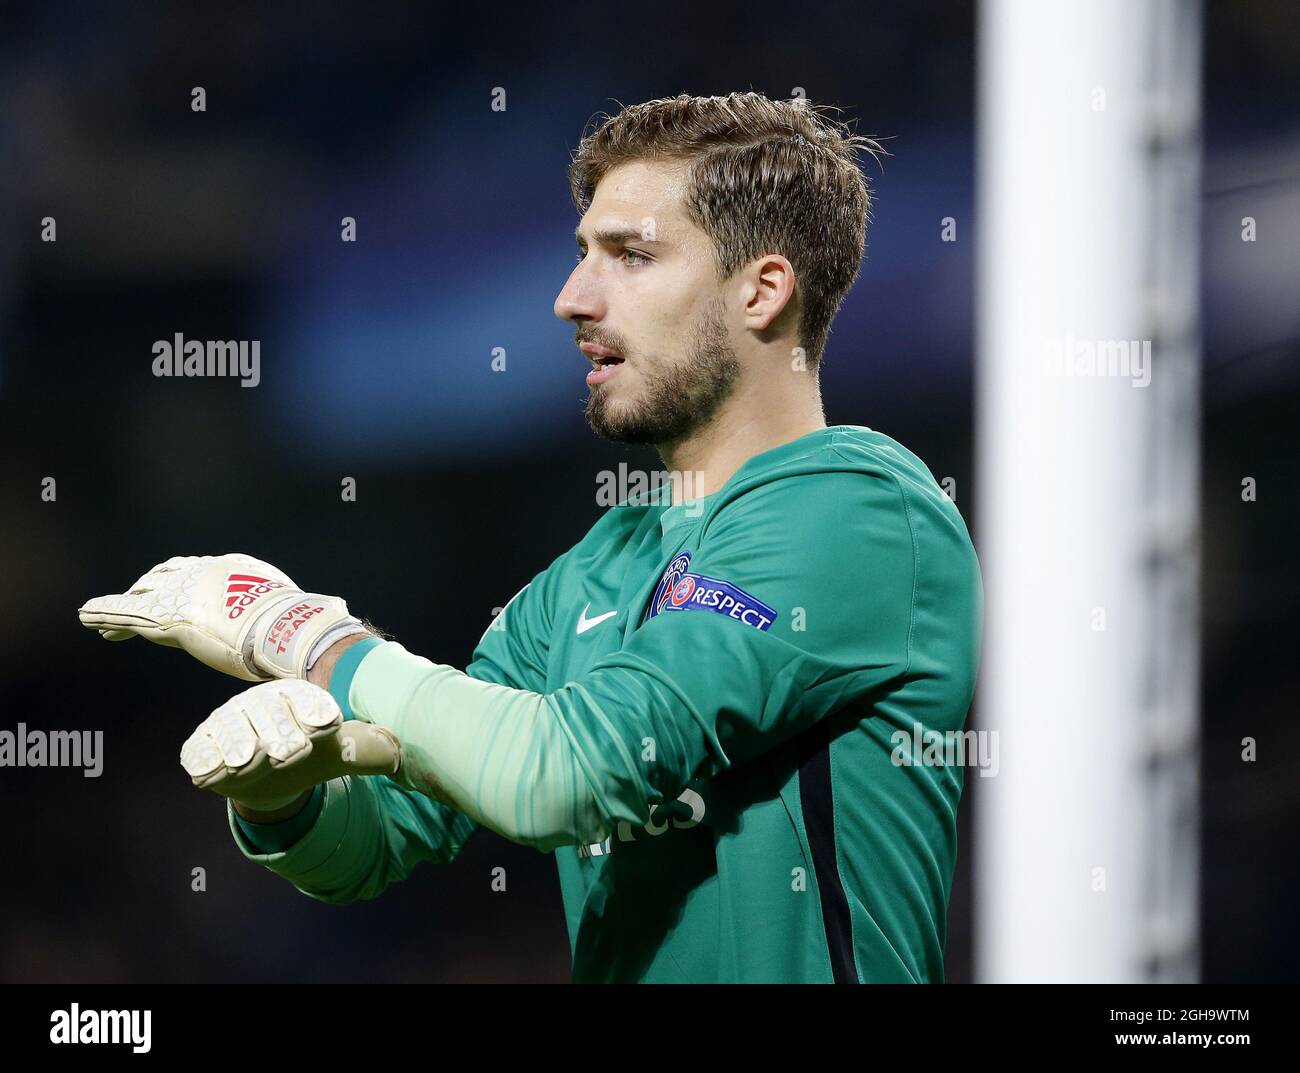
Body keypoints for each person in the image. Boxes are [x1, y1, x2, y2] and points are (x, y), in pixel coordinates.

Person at [79, 92, 982, 983]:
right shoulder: (585, 578)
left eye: (631, 256)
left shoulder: (859, 511)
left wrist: (302, 635)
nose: (571, 299)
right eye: (581, 255)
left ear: (762, 290)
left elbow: (561, 774)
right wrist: (282, 792)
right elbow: (387, 837)